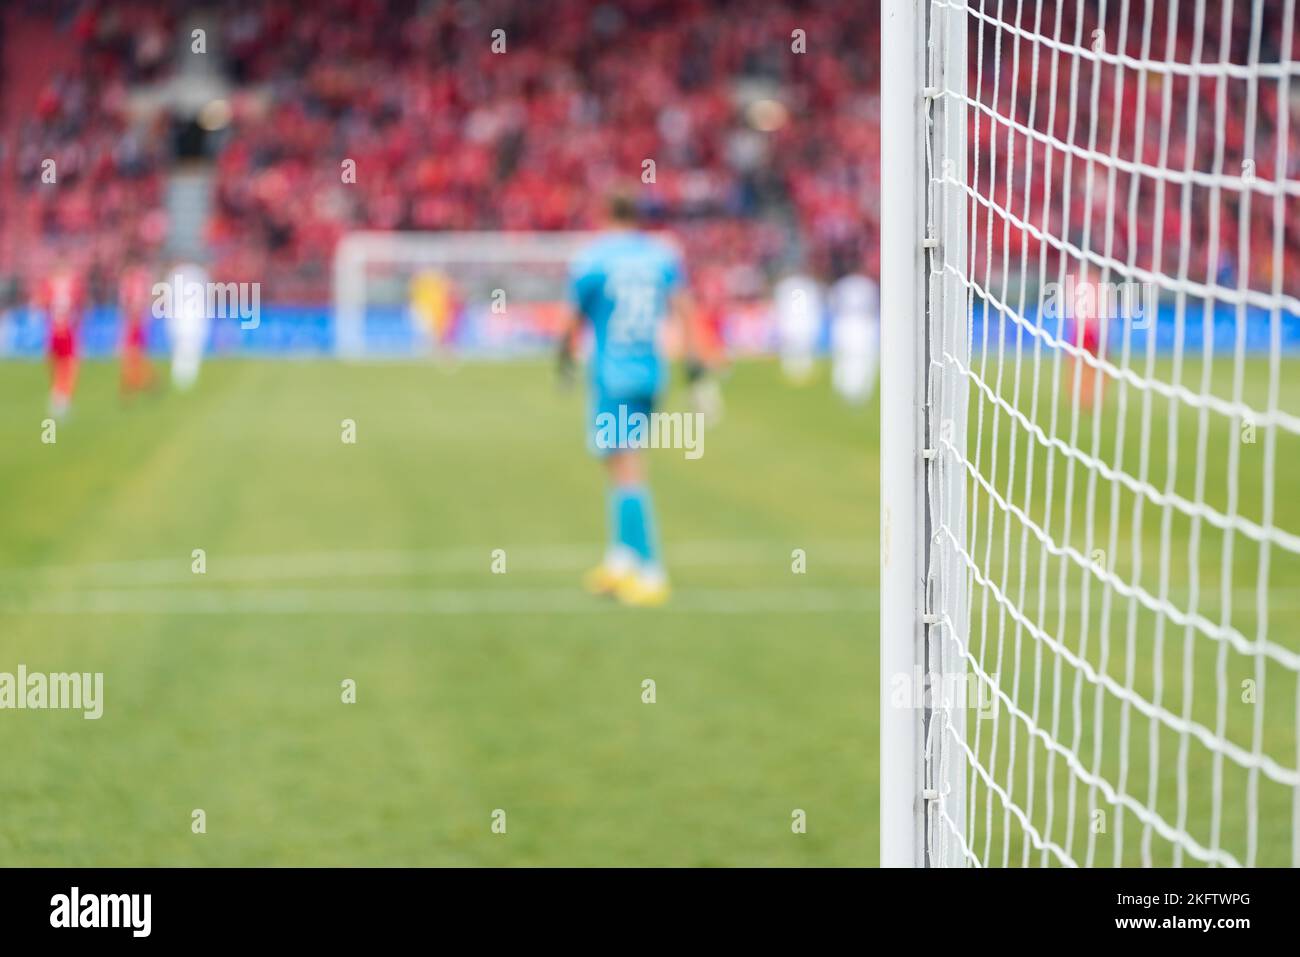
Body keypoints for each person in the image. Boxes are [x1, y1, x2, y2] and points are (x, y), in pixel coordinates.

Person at [557, 193, 704, 607]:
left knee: (627, 468)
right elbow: (685, 309)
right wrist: (694, 366)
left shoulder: (594, 258)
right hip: (649, 373)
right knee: (616, 461)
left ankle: (651, 570)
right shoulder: (660, 256)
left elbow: (571, 317)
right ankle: (621, 560)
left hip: (612, 375)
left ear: (604, 214)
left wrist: (564, 359)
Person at [35, 261, 86, 419]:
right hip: (66, 330)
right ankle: (61, 401)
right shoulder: (71, 287)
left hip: (54, 330)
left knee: (58, 367)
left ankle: (58, 399)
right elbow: (79, 307)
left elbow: (41, 306)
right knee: (70, 366)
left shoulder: (48, 286)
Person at [828, 271, 879, 405]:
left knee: (846, 357)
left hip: (846, 322)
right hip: (863, 322)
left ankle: (846, 388)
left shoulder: (842, 284)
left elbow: (832, 304)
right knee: (862, 357)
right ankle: (859, 390)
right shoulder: (868, 285)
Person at [119, 259, 156, 396]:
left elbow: (126, 303)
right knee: (135, 353)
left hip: (135, 321)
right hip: (138, 320)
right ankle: (143, 381)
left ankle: (141, 381)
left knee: (132, 353)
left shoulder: (131, 281)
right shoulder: (142, 279)